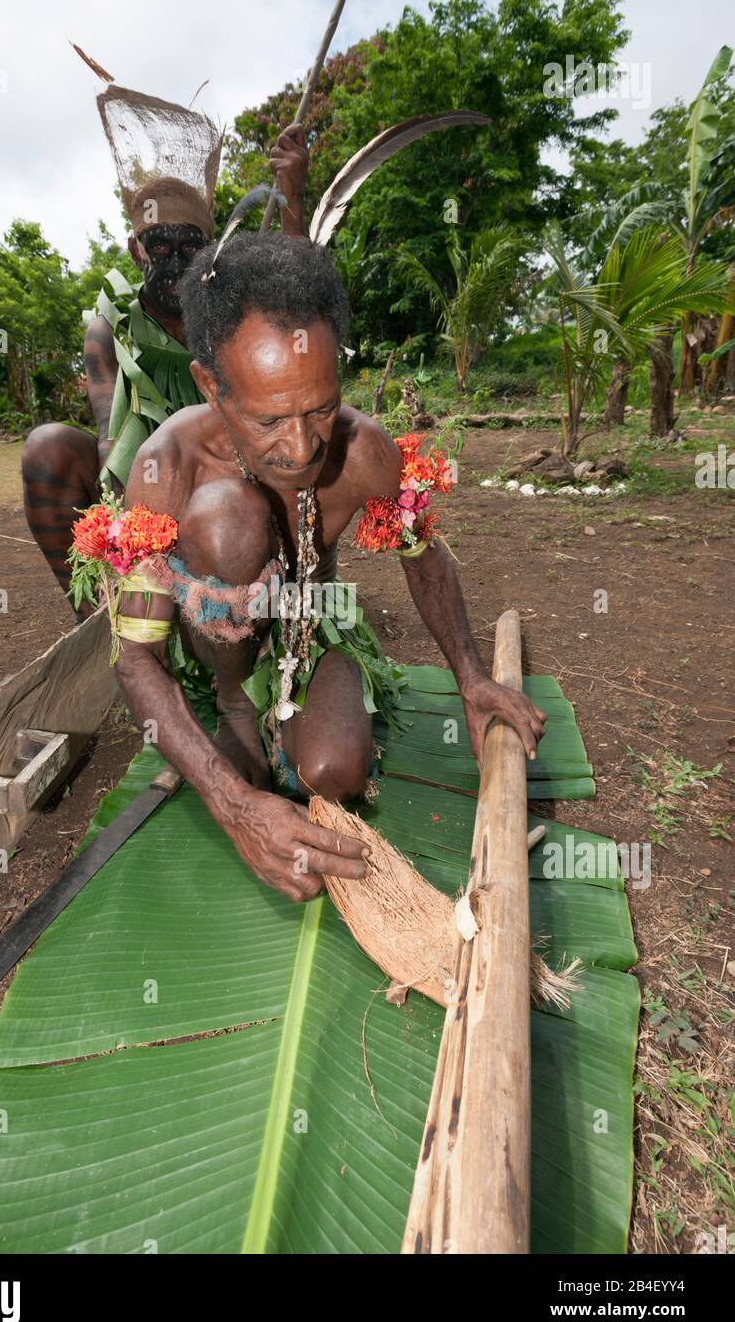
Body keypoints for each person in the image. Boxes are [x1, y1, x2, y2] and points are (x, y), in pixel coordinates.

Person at [98, 233, 546, 902]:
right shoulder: (169, 465)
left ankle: (288, 716)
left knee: (333, 771)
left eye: (322, 408)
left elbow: (423, 561)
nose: (303, 445)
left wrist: (471, 677)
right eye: (270, 418)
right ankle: (231, 698)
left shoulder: (366, 453)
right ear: (209, 385)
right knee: (226, 518)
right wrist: (235, 806)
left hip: (317, 629)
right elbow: (136, 660)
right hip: (218, 645)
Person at [21, 69, 308, 601]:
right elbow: (112, 443)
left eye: (189, 249)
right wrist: (131, 546)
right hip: (142, 483)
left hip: (230, 477)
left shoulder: (231, 312)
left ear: (209, 249)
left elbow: (296, 310)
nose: (174, 265)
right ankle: (101, 614)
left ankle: (267, 595)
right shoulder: (109, 328)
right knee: (48, 448)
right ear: (136, 251)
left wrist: (293, 203)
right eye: (159, 248)